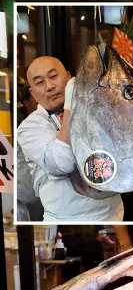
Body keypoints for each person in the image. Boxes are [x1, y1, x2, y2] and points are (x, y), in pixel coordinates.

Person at [17, 56, 124, 222]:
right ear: (32, 93)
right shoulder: (29, 127)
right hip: (65, 218)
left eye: (54, 76)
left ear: (69, 77)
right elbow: (62, 163)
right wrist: (70, 106)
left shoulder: (96, 107)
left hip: (113, 210)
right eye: (39, 83)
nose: (49, 86)